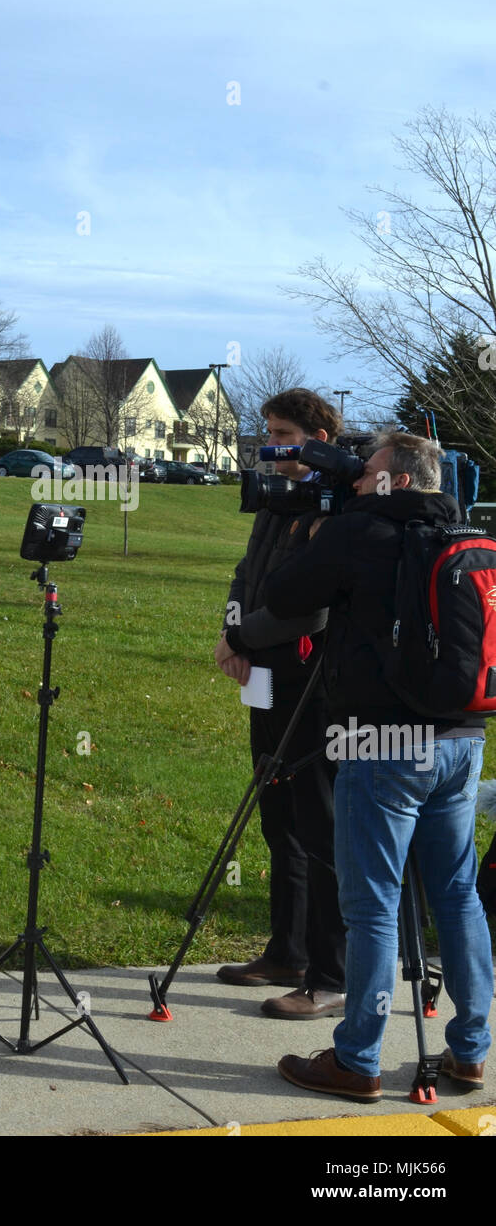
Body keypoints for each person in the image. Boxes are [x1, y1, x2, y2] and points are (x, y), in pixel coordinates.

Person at [263, 431, 492, 1098]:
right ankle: (468, 1052)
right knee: (456, 896)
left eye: (366, 474)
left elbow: (284, 595)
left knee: (371, 905)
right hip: (461, 738)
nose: (357, 482)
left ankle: (356, 1061)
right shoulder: (458, 531)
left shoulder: (357, 532)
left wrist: (320, 526)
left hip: (382, 742)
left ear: (392, 479)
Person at [214, 389, 347, 1019]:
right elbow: (247, 574)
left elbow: (312, 607)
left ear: (320, 436)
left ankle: (330, 971)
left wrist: (245, 636)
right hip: (264, 675)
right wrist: (231, 631)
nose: (273, 445)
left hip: (313, 686)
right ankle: (286, 950)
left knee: (318, 826)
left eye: (285, 433)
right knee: (277, 817)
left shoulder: (333, 503)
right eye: (268, 431)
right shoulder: (275, 495)